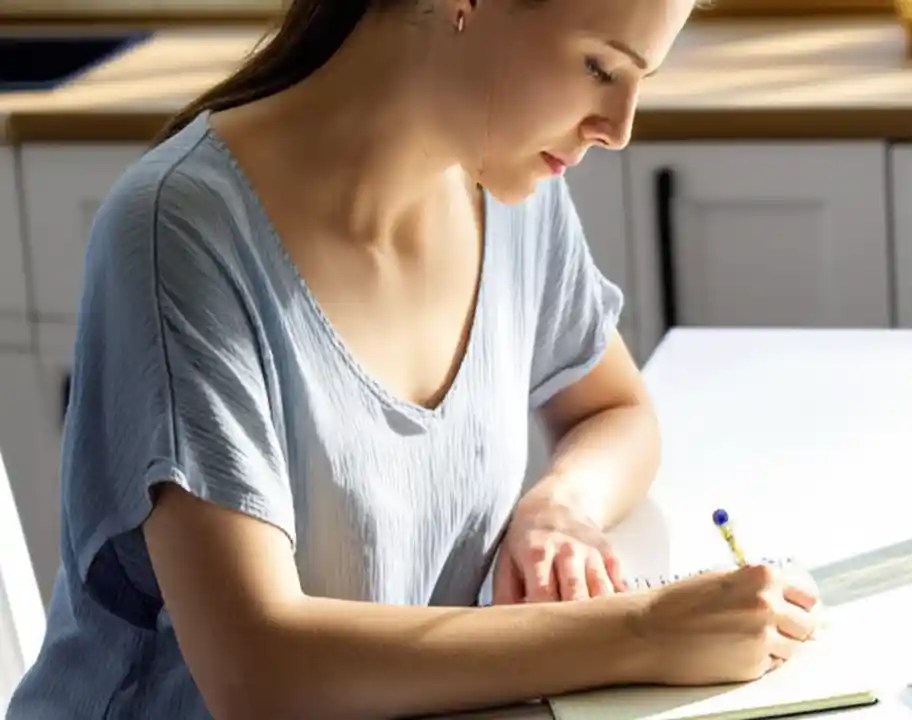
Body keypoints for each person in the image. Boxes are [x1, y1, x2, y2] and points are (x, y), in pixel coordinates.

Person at [6, 1, 821, 717]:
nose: (618, 127)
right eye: (599, 66)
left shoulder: (506, 184)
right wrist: (645, 632)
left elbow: (614, 411)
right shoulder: (178, 233)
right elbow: (261, 671)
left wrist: (560, 506)